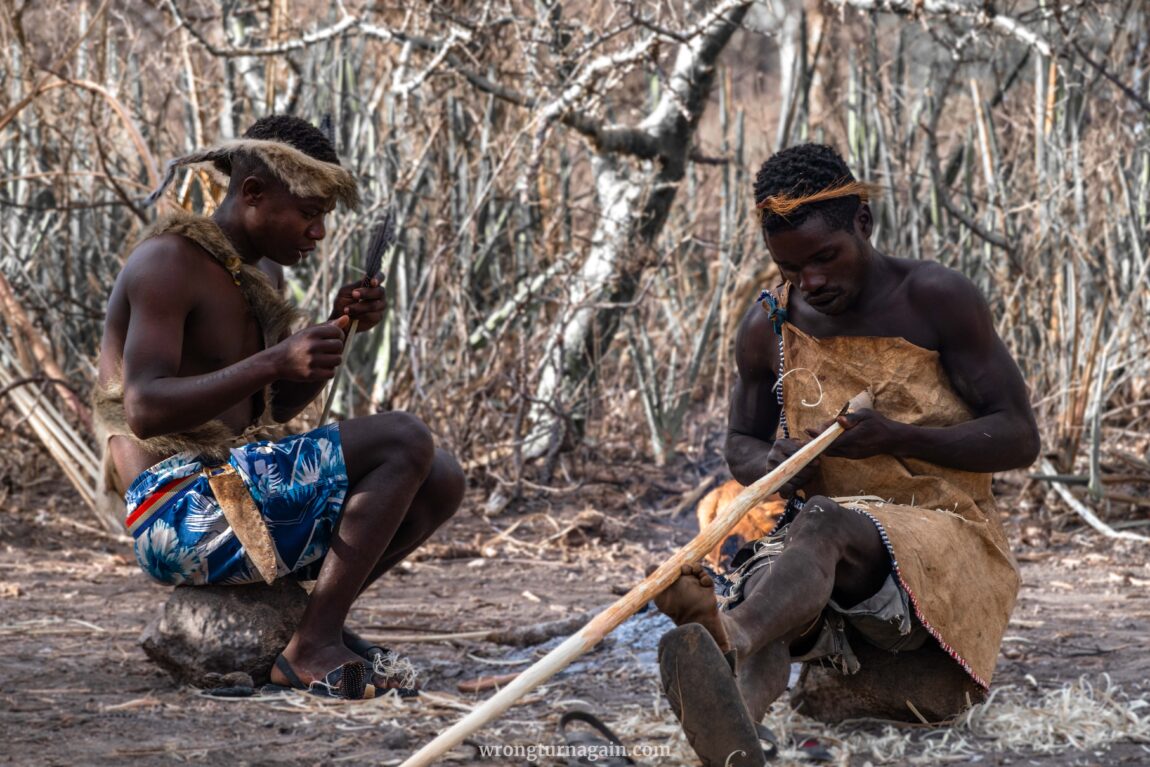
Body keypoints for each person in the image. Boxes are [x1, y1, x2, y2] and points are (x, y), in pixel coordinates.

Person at [653, 143, 1039, 765]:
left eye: (824, 257)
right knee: (784, 557)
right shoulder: (769, 324)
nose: (811, 282)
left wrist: (898, 436)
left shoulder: (936, 297)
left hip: (946, 529)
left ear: (864, 221)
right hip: (820, 541)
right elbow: (740, 445)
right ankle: (738, 724)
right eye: (790, 267)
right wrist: (775, 467)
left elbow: (1020, 436)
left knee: (817, 529)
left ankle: (733, 634)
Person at [95, 115, 464, 700]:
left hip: (236, 491)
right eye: (309, 213)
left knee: (440, 477)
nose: (319, 232)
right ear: (252, 193)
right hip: (173, 512)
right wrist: (275, 360)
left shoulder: (261, 271)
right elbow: (143, 409)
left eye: (325, 216)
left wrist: (335, 332)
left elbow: (268, 406)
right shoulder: (168, 262)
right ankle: (310, 647)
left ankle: (314, 625)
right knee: (404, 437)